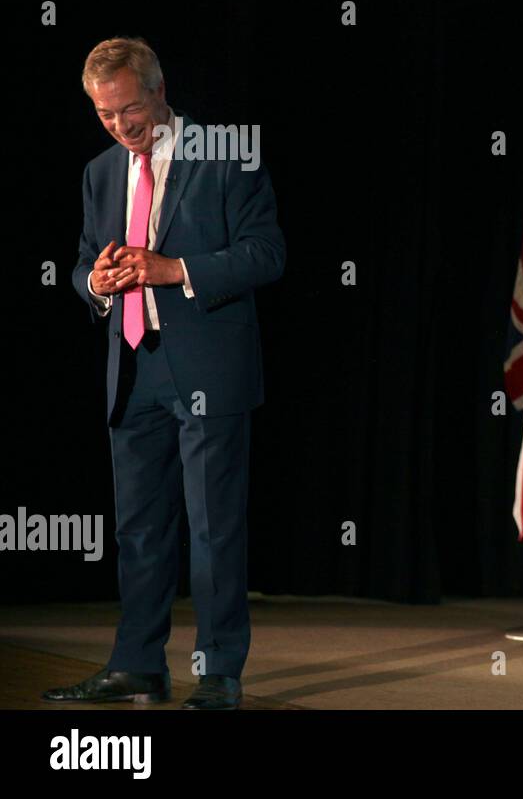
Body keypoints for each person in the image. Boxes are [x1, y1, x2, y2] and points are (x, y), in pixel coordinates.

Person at [41, 38, 285, 710]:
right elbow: (84, 262)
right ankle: (138, 667)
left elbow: (267, 254)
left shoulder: (225, 154)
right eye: (104, 114)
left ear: (158, 90)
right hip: (133, 371)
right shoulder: (99, 173)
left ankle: (218, 674)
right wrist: (98, 279)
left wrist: (172, 270)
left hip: (210, 369)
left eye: (129, 109)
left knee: (213, 528)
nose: (121, 126)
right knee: (139, 531)